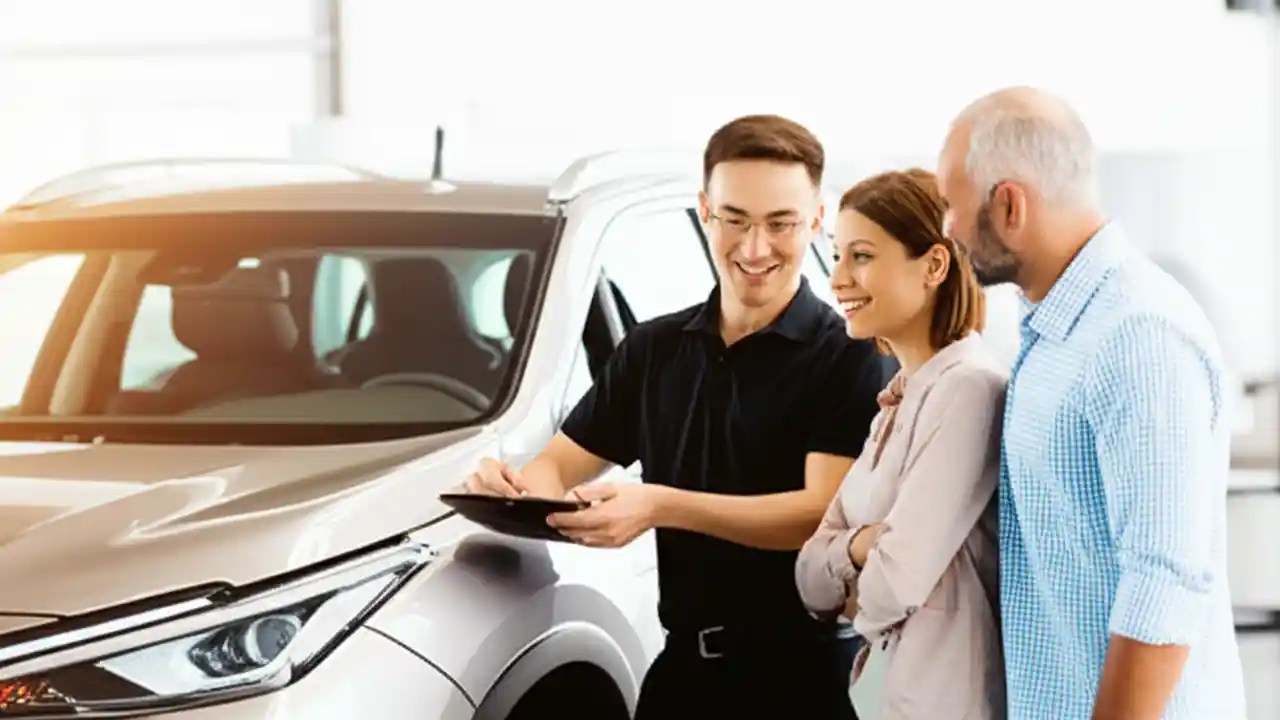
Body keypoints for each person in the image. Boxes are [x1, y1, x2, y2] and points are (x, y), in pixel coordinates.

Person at [462, 114, 891, 719]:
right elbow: (557, 466)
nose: (754, 247)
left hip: (802, 684)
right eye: (735, 219)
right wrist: (512, 492)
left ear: (818, 219)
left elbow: (818, 514)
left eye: (781, 223)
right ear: (705, 211)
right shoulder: (654, 349)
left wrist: (661, 505)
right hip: (680, 680)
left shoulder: (849, 353)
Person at [937, 86, 1248, 720]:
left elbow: (1163, 585)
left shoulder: (1137, 337)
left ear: (1009, 205)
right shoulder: (1056, 331)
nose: (946, 228)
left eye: (951, 206)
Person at [794, 168, 1007, 719]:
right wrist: (862, 546)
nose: (837, 278)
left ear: (934, 265)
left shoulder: (968, 389)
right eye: (837, 255)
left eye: (860, 256)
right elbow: (808, 577)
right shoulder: (900, 397)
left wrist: (848, 555)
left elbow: (892, 585)